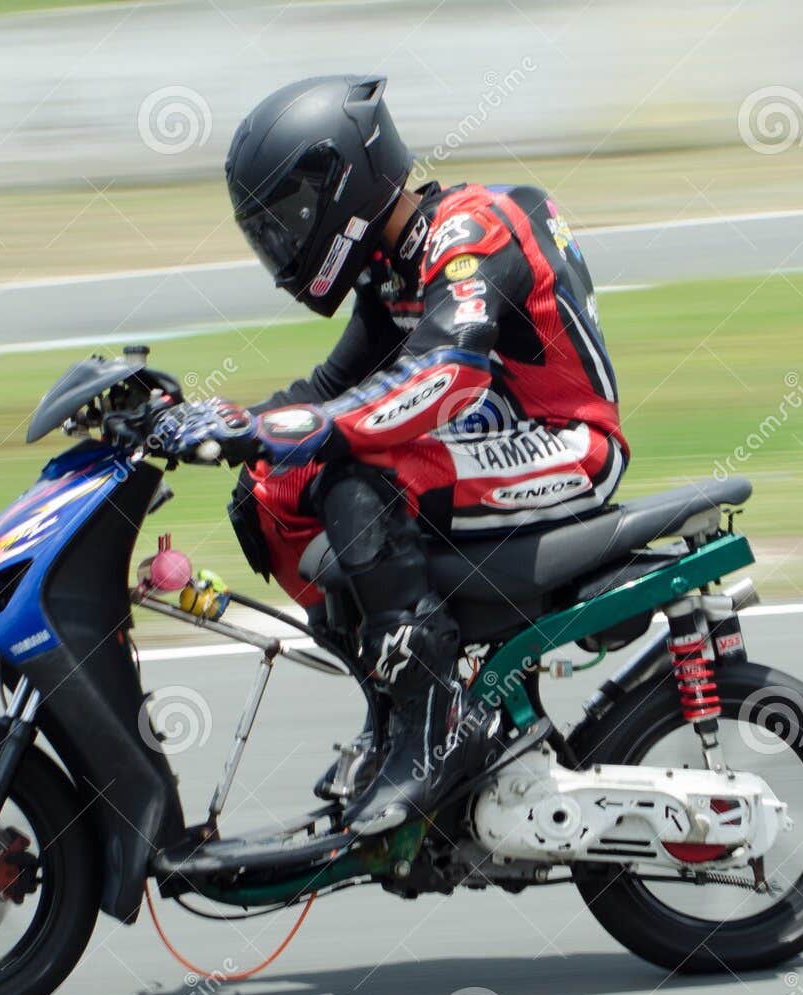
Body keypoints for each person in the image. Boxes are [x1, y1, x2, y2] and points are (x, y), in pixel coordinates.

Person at [152, 74, 627, 836]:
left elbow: (445, 376)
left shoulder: (471, 232)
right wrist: (215, 423)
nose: (281, 241)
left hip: (567, 443)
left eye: (290, 217)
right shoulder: (390, 263)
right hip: (480, 447)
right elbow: (334, 388)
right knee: (271, 492)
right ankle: (393, 700)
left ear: (343, 182)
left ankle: (436, 724)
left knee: (357, 480)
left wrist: (286, 430)